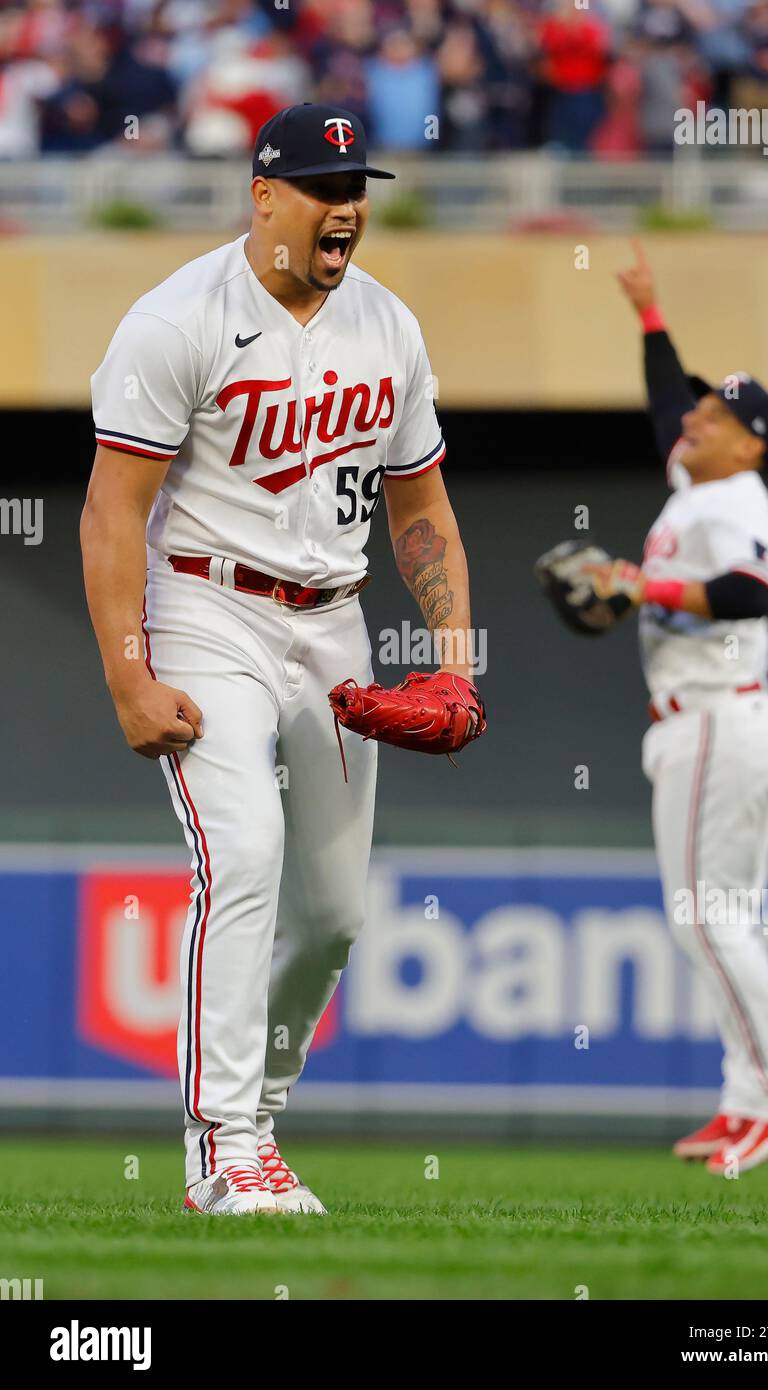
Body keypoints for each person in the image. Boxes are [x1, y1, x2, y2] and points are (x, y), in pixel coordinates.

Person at [81, 103, 473, 1215]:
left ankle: (263, 1118)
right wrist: (128, 671)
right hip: (207, 607)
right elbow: (112, 514)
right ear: (263, 196)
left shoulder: (387, 325)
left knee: (337, 912)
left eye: (355, 186)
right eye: (318, 185)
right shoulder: (178, 318)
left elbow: (424, 511)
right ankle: (222, 1144)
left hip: (334, 619)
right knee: (243, 852)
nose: (344, 206)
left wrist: (451, 659)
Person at [589, 240, 768, 1175]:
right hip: (728, 720)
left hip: (719, 716)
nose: (695, 419)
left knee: (703, 917)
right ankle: (744, 1095)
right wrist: (649, 312)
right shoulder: (702, 480)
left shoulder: (745, 506)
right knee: (726, 916)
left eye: (718, 413)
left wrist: (643, 585)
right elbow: (664, 415)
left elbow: (749, 595)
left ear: (751, 440)